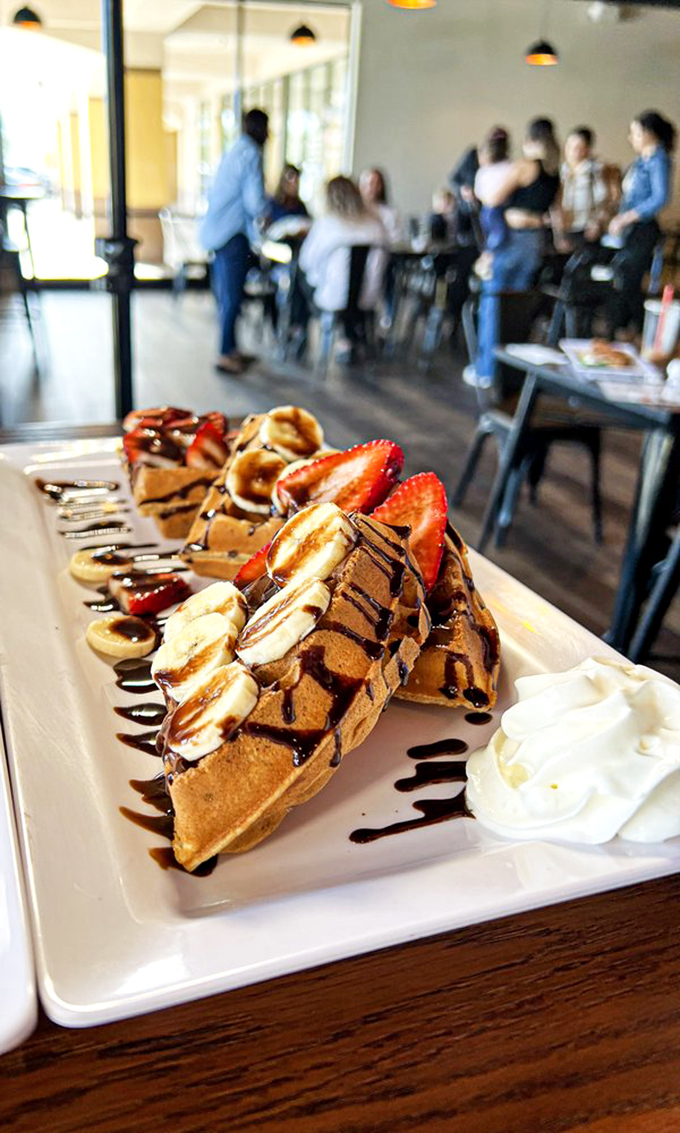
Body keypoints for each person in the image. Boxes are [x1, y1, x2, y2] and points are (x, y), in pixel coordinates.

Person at [472, 117, 561, 385]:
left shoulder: (525, 166)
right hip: (535, 244)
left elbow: (492, 198)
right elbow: (557, 214)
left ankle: (486, 371)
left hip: (511, 242)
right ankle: (511, 372)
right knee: (518, 309)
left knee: (494, 304)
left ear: (530, 141)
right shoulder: (555, 173)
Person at [199, 108, 269, 375]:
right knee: (232, 296)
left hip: (218, 234)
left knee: (227, 296)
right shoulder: (251, 153)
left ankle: (231, 349)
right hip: (232, 235)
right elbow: (255, 202)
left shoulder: (235, 150)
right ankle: (224, 354)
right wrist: (267, 213)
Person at [296, 175, 388, 359]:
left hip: (333, 297)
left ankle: (298, 330)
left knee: (299, 275)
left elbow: (306, 262)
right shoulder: (375, 225)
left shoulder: (327, 225)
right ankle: (351, 334)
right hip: (367, 297)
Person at [607, 110, 676, 334]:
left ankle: (634, 330)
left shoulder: (659, 159)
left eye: (635, 132)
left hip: (643, 228)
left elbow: (659, 197)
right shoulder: (641, 160)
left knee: (630, 281)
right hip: (630, 228)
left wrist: (627, 217)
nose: (631, 137)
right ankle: (626, 329)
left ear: (648, 133)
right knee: (624, 279)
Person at [557, 126, 611, 248]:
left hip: (586, 229)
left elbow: (603, 200)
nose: (572, 152)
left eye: (578, 148)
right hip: (564, 228)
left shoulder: (596, 171)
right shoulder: (560, 172)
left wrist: (597, 222)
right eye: (569, 146)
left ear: (587, 150)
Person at [474, 126, 512, 269]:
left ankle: (488, 256)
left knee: (491, 237)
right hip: (502, 209)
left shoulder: (483, 172)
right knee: (499, 238)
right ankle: (489, 256)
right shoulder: (510, 167)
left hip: (488, 210)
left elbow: (478, 192)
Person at [359, 167, 402, 245]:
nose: (372, 188)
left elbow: (395, 239)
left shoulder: (389, 213)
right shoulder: (355, 212)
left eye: (376, 184)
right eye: (368, 183)